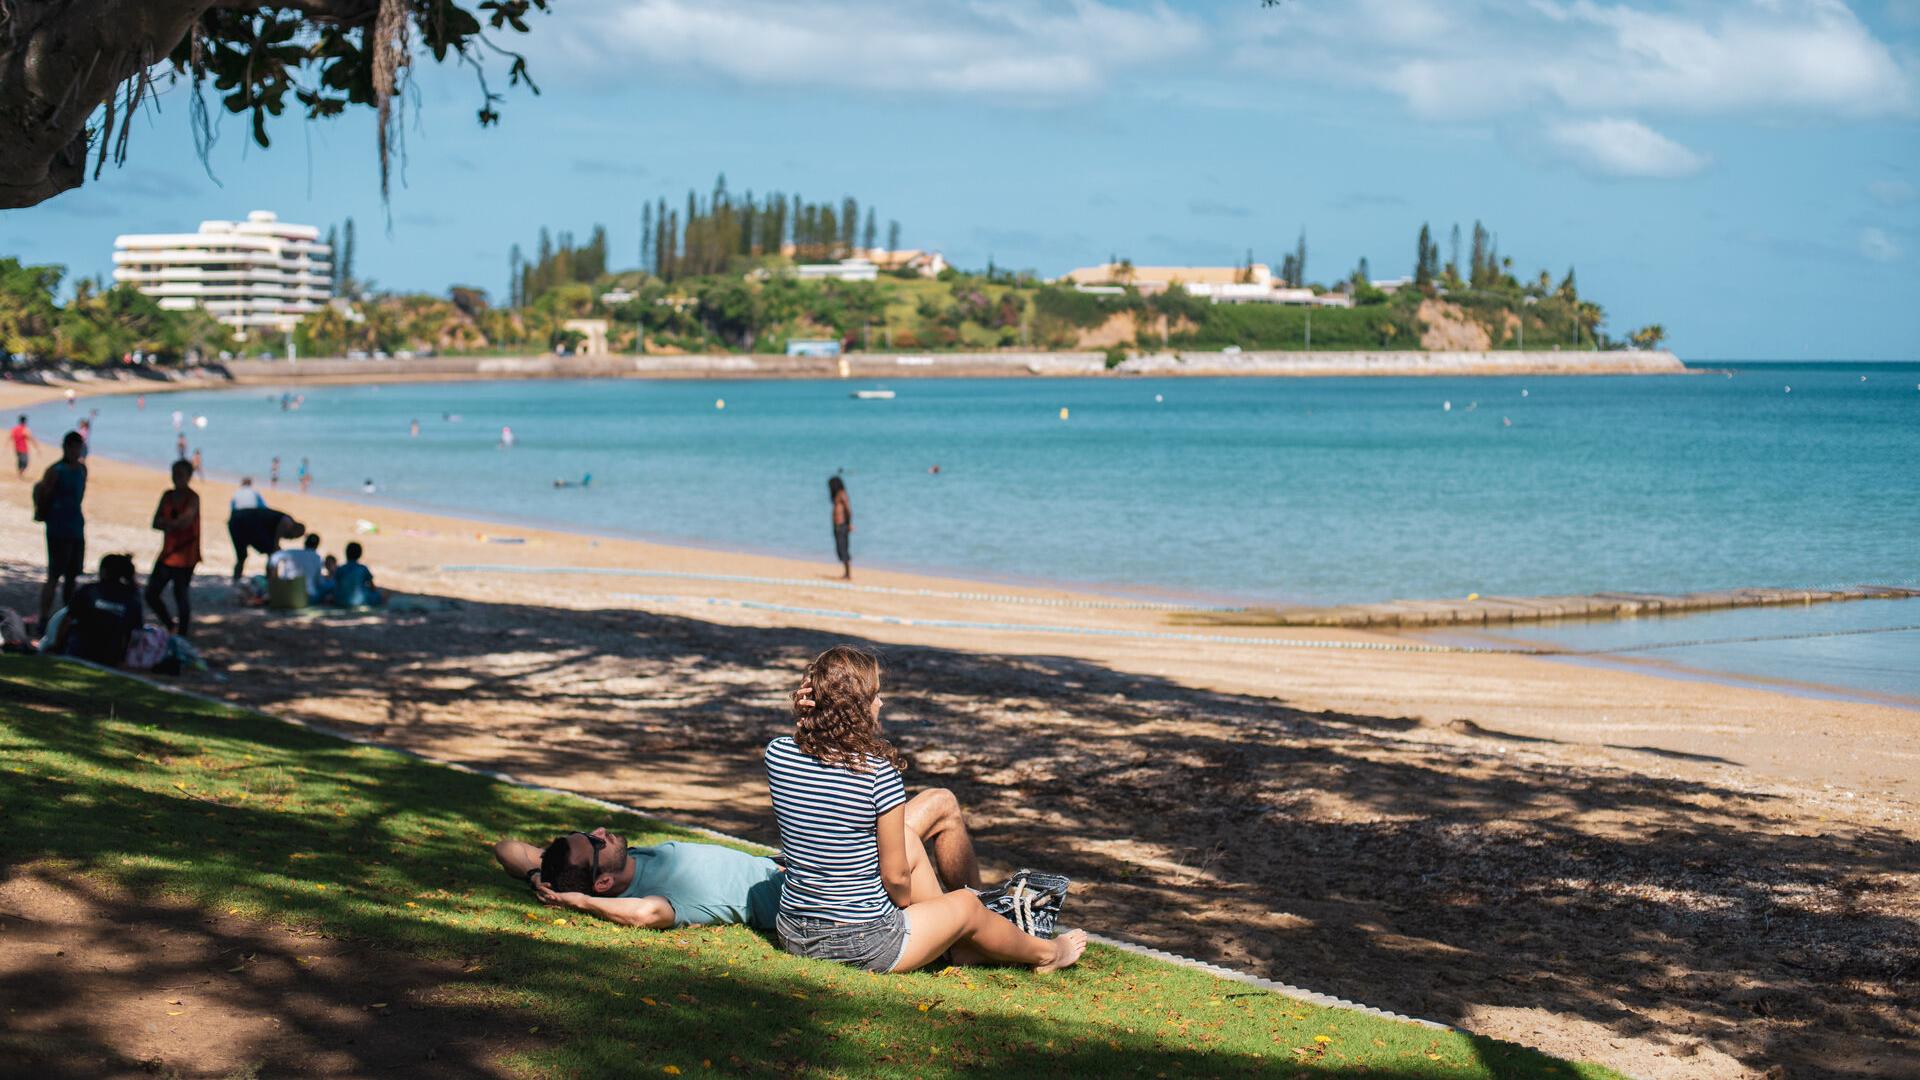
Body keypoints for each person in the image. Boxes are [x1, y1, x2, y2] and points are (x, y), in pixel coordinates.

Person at [765, 645, 1085, 974]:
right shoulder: (877, 775)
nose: (880, 703)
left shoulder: (777, 754)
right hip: (862, 942)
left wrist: (807, 714)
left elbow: (808, 751)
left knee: (917, 828)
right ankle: (1049, 954)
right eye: (874, 695)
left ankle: (963, 942)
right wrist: (902, 901)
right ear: (855, 707)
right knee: (965, 905)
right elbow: (896, 878)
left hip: (794, 931)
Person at [491, 789, 983, 930]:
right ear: (601, 883)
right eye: (595, 844)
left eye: (589, 833)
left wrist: (538, 876)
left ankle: (971, 914)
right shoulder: (654, 896)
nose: (600, 832)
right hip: (816, 885)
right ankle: (974, 915)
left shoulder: (605, 866)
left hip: (793, 863)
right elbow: (645, 914)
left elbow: (505, 848)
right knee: (938, 806)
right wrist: (577, 902)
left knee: (932, 811)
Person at [34, 431, 88, 629]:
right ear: (65, 447)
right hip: (58, 528)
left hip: (76, 527)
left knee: (72, 576)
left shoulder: (82, 469)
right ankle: (43, 617)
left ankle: (67, 617)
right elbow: (43, 495)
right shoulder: (56, 470)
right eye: (72, 447)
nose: (75, 451)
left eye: (78, 448)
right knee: (54, 575)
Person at [52, 554, 143, 666]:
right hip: (111, 656)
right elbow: (135, 633)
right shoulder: (132, 597)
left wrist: (57, 645)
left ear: (104, 571)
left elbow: (67, 620)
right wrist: (123, 658)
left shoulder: (88, 590)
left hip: (79, 650)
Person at [146, 459, 201, 637]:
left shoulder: (193, 498)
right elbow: (156, 522)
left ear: (189, 477)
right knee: (151, 593)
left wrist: (168, 523)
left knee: (181, 595)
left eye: (181, 474)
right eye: (174, 473)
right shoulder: (168, 495)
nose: (176, 478)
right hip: (168, 553)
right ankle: (170, 625)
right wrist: (173, 524)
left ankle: (182, 634)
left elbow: (185, 522)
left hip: (186, 556)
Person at [227, 506, 304, 581]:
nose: (291, 539)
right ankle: (271, 580)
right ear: (294, 529)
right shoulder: (287, 522)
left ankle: (236, 578)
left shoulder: (281, 523)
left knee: (242, 556)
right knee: (272, 552)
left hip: (235, 521)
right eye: (293, 537)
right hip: (245, 523)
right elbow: (275, 544)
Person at [268, 533, 326, 598]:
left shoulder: (292, 552)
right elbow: (320, 581)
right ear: (317, 545)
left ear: (305, 543)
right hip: (308, 595)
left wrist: (274, 580)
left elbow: (274, 558)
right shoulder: (317, 558)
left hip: (286, 592)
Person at [331, 542, 381, 606]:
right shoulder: (363, 568)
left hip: (340, 601)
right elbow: (372, 587)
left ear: (346, 553)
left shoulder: (341, 569)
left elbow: (336, 585)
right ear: (360, 555)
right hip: (359, 601)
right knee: (376, 594)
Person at [828, 475, 853, 581]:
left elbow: (848, 510)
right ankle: (846, 573)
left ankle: (847, 574)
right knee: (840, 549)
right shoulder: (836, 496)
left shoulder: (842, 494)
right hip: (837, 525)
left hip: (842, 525)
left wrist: (849, 524)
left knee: (843, 549)